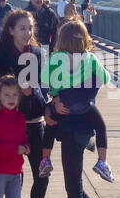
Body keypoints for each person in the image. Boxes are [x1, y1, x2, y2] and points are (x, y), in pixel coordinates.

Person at [0, 8, 59, 198]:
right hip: (12, 126)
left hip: (35, 122)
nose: (27, 32)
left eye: (30, 28)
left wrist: (42, 101)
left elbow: (45, 88)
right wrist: (20, 90)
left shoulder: (39, 53)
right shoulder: (1, 57)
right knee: (14, 176)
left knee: (43, 172)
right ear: (10, 30)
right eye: (22, 28)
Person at [39, 20, 114, 183]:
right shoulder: (90, 58)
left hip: (60, 105)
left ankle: (45, 160)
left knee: (50, 127)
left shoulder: (56, 57)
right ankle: (102, 162)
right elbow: (106, 78)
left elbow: (44, 78)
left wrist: (56, 87)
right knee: (101, 126)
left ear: (61, 39)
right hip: (84, 107)